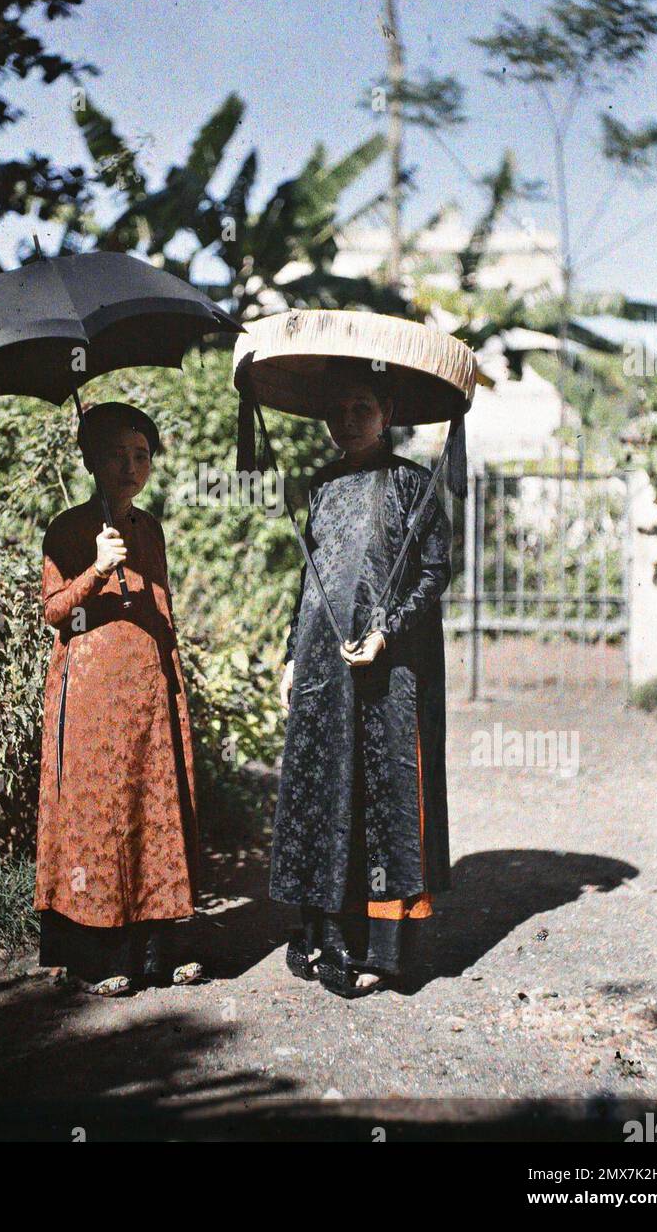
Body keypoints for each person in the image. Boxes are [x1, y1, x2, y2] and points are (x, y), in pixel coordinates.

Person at [271, 360, 453, 997]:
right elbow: (311, 581)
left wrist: (388, 630)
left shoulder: (414, 484)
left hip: (390, 670)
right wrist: (295, 654)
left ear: (388, 414)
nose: (347, 422)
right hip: (325, 665)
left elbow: (434, 574)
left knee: (384, 797)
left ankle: (382, 950)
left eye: (361, 410)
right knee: (327, 790)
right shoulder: (321, 486)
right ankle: (327, 936)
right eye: (338, 411)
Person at [34, 401, 203, 996]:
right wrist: (97, 569)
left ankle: (160, 950)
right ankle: (101, 952)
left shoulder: (150, 528)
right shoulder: (68, 528)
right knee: (100, 813)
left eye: (141, 455)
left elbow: (160, 610)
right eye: (116, 454)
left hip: (149, 691)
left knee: (153, 809)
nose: (131, 467)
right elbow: (56, 612)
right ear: (89, 461)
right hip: (92, 695)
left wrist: (172, 681)